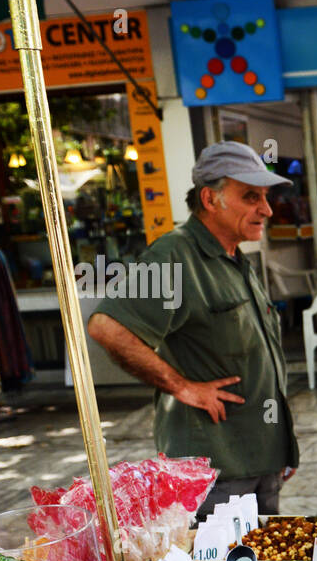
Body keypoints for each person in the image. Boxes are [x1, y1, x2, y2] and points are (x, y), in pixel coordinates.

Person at [87, 141, 299, 517]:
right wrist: (183, 388)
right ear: (210, 198)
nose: (265, 210)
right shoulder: (175, 254)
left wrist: (282, 446)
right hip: (215, 469)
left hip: (261, 459)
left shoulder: (233, 257)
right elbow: (107, 327)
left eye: (265, 197)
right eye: (251, 197)